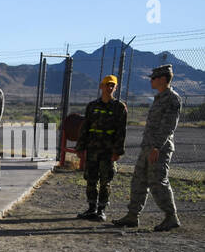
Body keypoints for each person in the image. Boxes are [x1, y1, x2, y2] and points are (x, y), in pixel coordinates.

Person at [111, 64, 181, 231]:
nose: (151, 80)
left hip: (159, 148)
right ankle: (132, 216)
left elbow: (168, 126)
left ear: (163, 79)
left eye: (154, 78)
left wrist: (157, 147)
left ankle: (171, 217)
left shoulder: (172, 99)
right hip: (148, 147)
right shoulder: (159, 97)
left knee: (158, 182)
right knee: (139, 181)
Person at [75, 75, 127, 221]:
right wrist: (80, 148)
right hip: (92, 150)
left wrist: (118, 151)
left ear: (115, 88)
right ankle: (91, 209)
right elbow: (85, 128)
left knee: (106, 181)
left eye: (112, 85)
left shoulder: (119, 107)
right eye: (107, 85)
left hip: (108, 152)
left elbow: (121, 131)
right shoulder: (92, 106)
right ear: (101, 86)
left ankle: (101, 210)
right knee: (91, 179)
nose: (109, 88)